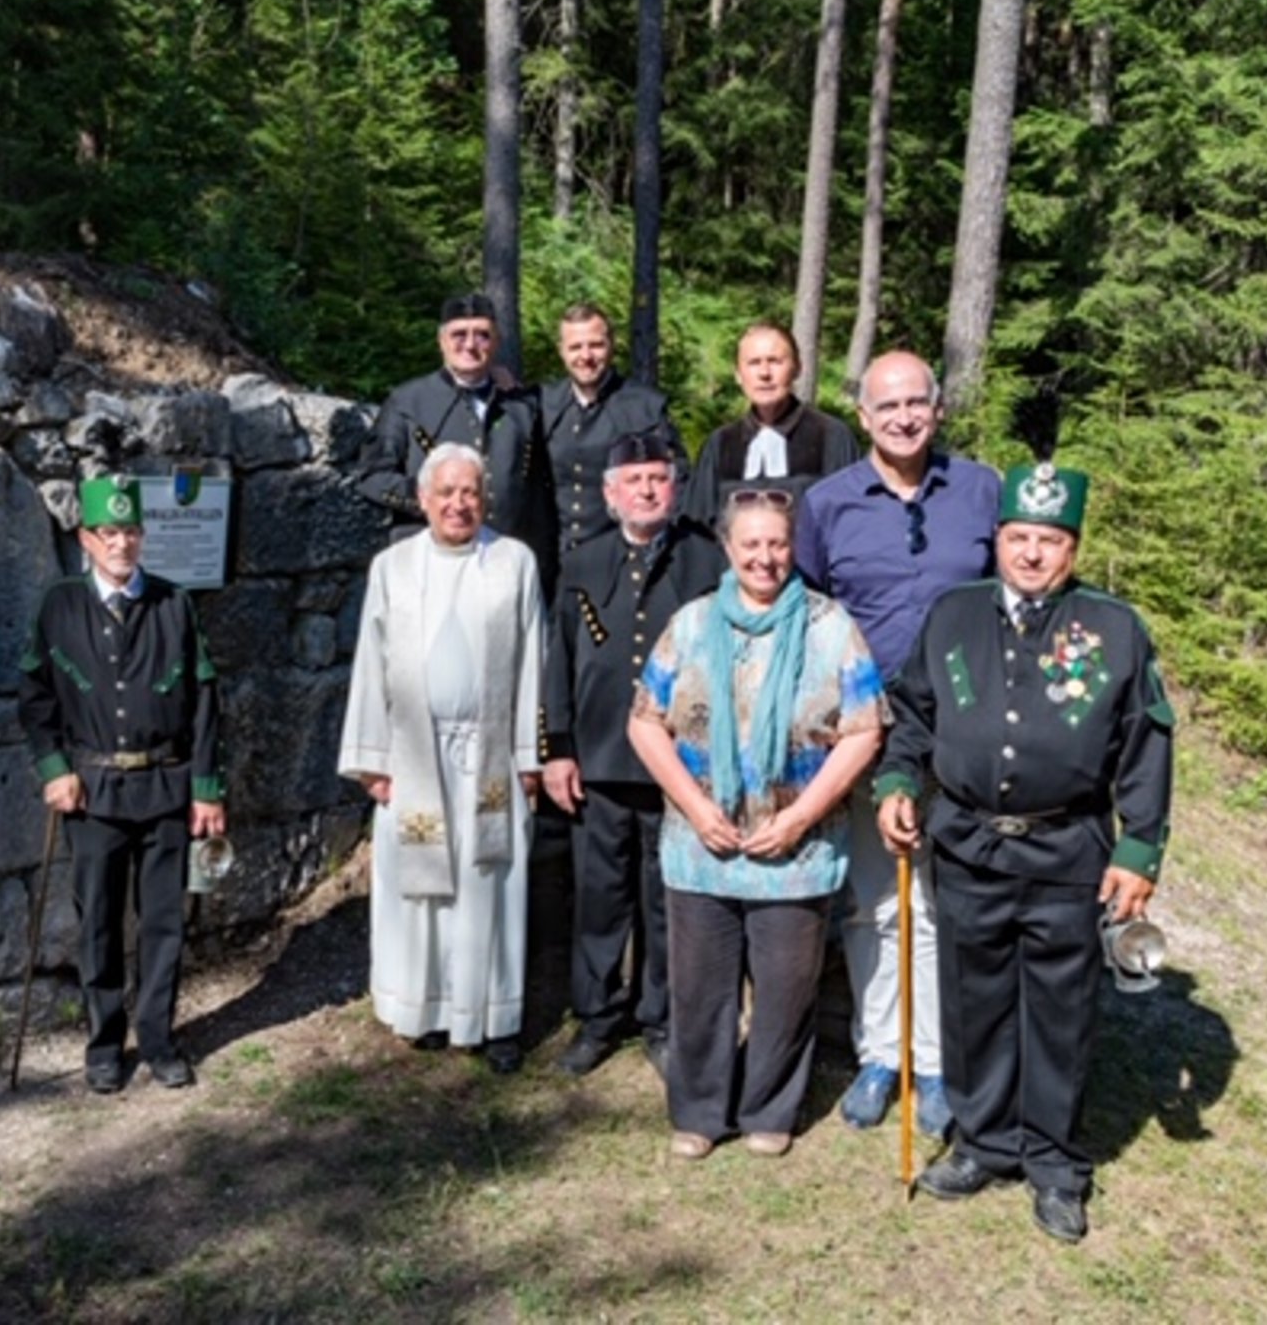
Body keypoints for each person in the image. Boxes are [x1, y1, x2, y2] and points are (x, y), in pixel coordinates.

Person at [877, 463, 1173, 1243]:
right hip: (968, 845)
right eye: (1019, 537)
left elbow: (1146, 742)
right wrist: (898, 780)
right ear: (998, 538)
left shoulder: (1115, 628)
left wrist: (1140, 848)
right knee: (973, 1002)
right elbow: (912, 709)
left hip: (1067, 852)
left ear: (1073, 549)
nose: (1032, 554)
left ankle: (1054, 1164)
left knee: (1059, 1013)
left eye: (1050, 540)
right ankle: (983, 1143)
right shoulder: (953, 614)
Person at [627, 490, 887, 1159]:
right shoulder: (690, 624)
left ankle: (769, 1107)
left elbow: (863, 730)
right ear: (727, 548)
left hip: (796, 851)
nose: (765, 557)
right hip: (701, 846)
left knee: (785, 990)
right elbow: (645, 722)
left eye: (777, 543)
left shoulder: (832, 627)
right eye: (751, 544)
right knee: (700, 988)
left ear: (793, 547)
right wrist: (695, 806)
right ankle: (700, 1110)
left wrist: (800, 817)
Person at [793, 351, 1000, 1137]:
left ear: (938, 409)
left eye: (917, 403)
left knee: (945, 902)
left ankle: (938, 1060)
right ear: (864, 416)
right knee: (877, 900)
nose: (904, 418)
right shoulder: (828, 503)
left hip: (966, 730)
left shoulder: (980, 490)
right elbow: (809, 614)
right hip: (868, 734)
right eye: (888, 406)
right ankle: (882, 1053)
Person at [338, 444, 546, 1073]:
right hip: (415, 755)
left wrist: (529, 757)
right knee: (421, 882)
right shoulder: (393, 566)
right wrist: (373, 758)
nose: (459, 504)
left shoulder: (513, 561)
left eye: (470, 492)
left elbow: (533, 658)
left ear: (486, 498)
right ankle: (422, 1008)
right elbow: (370, 662)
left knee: (489, 881)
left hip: (489, 754)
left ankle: (492, 1015)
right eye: (446, 493)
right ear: (423, 499)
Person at [17, 475, 227, 1094]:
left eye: (131, 531)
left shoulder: (173, 603)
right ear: (86, 538)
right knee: (99, 923)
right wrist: (54, 770)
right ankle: (104, 1043)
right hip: (94, 792)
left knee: (163, 922)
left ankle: (158, 1039)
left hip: (165, 788)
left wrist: (207, 789)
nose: (121, 544)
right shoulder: (60, 605)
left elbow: (205, 703)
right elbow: (33, 696)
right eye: (108, 533)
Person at [543, 431, 724, 1078]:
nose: (647, 490)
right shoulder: (583, 561)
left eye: (658, 478)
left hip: (679, 765)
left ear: (674, 487)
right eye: (634, 480)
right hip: (599, 759)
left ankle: (661, 1017)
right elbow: (560, 657)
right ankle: (597, 1016)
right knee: (599, 896)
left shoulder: (707, 559)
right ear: (610, 493)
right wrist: (558, 749)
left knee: (665, 897)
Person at [352, 292, 552, 561]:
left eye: (482, 335)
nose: (470, 345)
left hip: (504, 558)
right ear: (441, 340)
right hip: (429, 558)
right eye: (459, 334)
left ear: (496, 342)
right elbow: (371, 477)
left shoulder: (524, 406)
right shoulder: (407, 401)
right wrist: (430, 498)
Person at [540, 304, 686, 563]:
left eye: (596, 345)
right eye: (575, 347)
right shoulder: (543, 405)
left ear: (611, 345)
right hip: (553, 560)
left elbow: (677, 485)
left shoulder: (644, 407)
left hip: (623, 558)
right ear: (561, 350)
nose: (586, 356)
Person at [681, 323, 860, 528]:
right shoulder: (721, 444)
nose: (764, 373)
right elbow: (697, 529)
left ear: (797, 368)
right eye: (754, 363)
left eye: (775, 361)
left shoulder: (830, 436)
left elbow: (850, 523)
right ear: (738, 374)